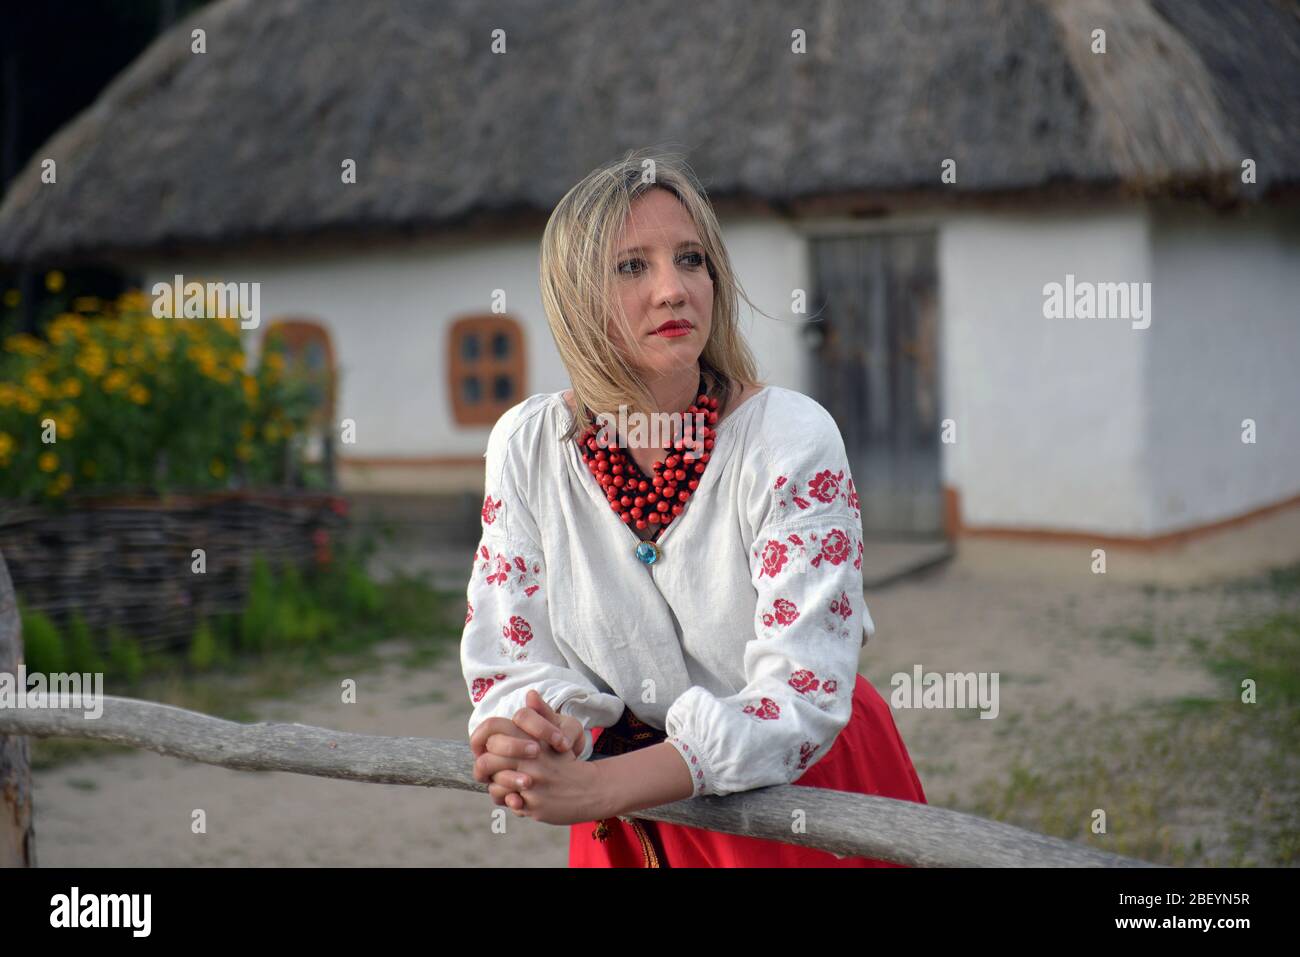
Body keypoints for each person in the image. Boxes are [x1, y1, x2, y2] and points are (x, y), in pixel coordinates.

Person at [460, 149, 926, 867]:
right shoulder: (528, 446)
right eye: (632, 266)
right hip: (628, 818)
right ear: (574, 293)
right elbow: (509, 655)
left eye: (691, 259)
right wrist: (532, 736)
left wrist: (597, 787)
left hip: (796, 795)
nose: (674, 289)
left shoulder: (788, 439)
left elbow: (799, 698)